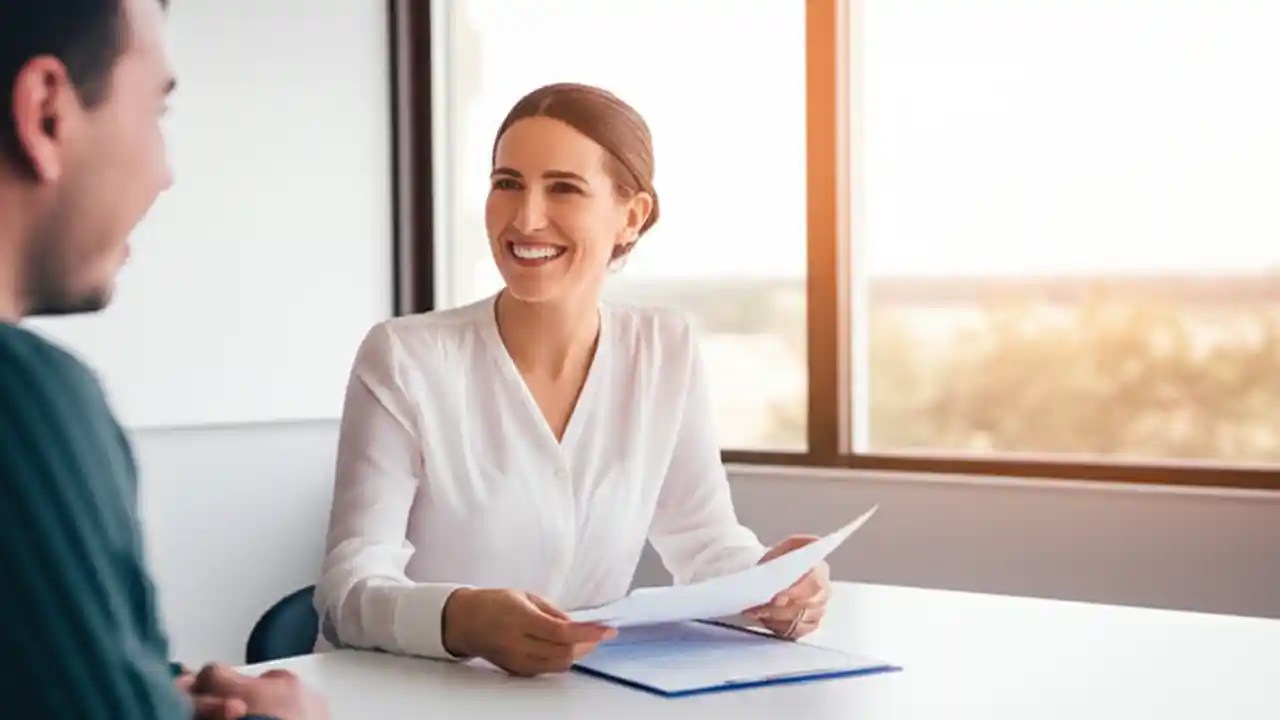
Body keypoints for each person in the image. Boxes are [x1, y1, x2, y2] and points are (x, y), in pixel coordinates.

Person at [316, 82, 832, 678]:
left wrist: (772, 585)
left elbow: (704, 542)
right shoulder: (405, 357)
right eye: (506, 183)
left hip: (574, 698)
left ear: (631, 217)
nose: (526, 217)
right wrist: (459, 619)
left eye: (563, 187)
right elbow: (345, 592)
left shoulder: (664, 349)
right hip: (401, 701)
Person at [0, 1, 328, 717]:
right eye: (156, 113)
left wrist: (151, 694)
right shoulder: (23, 403)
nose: (164, 172)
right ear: (47, 113)